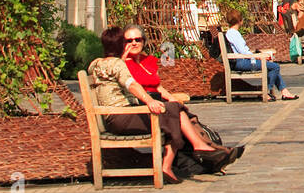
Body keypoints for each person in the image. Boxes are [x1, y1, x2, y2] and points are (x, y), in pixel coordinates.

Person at [87, 27, 236, 183]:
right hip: (121, 117)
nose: (133, 44)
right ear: (121, 45)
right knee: (174, 112)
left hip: (119, 116)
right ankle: (185, 157)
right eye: (128, 41)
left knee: (174, 110)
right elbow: (132, 85)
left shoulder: (98, 63)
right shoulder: (118, 64)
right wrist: (149, 101)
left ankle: (201, 151)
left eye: (137, 40)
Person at [223, 10, 299, 100]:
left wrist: (257, 54)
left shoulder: (231, 33)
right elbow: (243, 51)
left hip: (243, 59)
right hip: (242, 62)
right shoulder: (234, 34)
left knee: (271, 66)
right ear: (240, 20)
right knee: (275, 67)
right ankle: (266, 91)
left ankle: (284, 91)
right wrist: (256, 56)